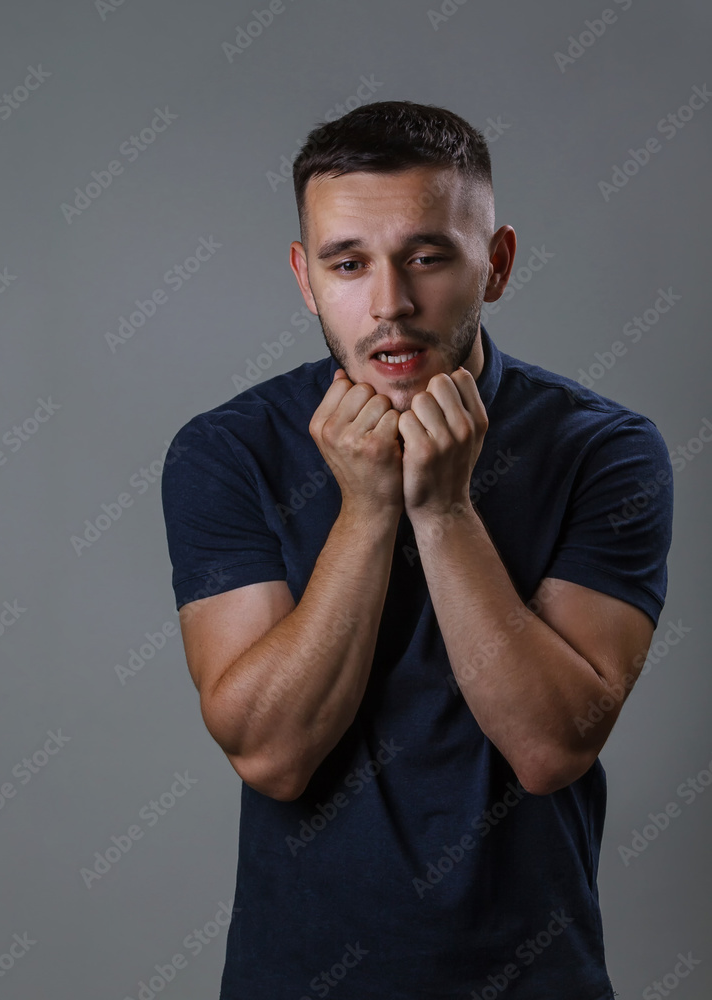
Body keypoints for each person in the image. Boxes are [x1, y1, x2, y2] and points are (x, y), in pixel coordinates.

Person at [160, 100, 673, 999]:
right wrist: (365, 512)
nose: (390, 304)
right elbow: (272, 755)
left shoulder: (605, 450)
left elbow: (552, 746)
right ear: (306, 279)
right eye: (348, 263)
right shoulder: (226, 451)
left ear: (497, 263)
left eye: (427, 257)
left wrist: (440, 510)